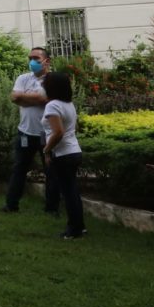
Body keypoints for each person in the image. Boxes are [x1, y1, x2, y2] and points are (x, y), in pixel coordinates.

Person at [3, 47, 58, 213]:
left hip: (47, 135)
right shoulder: (23, 78)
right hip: (25, 133)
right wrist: (37, 99)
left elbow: (46, 100)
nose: (31, 62)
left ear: (47, 61)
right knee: (19, 169)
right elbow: (14, 97)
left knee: (51, 172)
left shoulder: (54, 80)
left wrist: (24, 98)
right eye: (30, 58)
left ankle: (52, 209)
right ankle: (11, 205)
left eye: (36, 58)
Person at [41, 72, 85, 239]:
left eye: (45, 84)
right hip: (74, 151)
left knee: (68, 193)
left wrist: (46, 150)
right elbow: (74, 128)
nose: (43, 86)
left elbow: (58, 132)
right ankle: (79, 226)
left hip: (63, 154)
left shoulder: (53, 106)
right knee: (72, 190)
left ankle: (74, 229)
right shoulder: (69, 104)